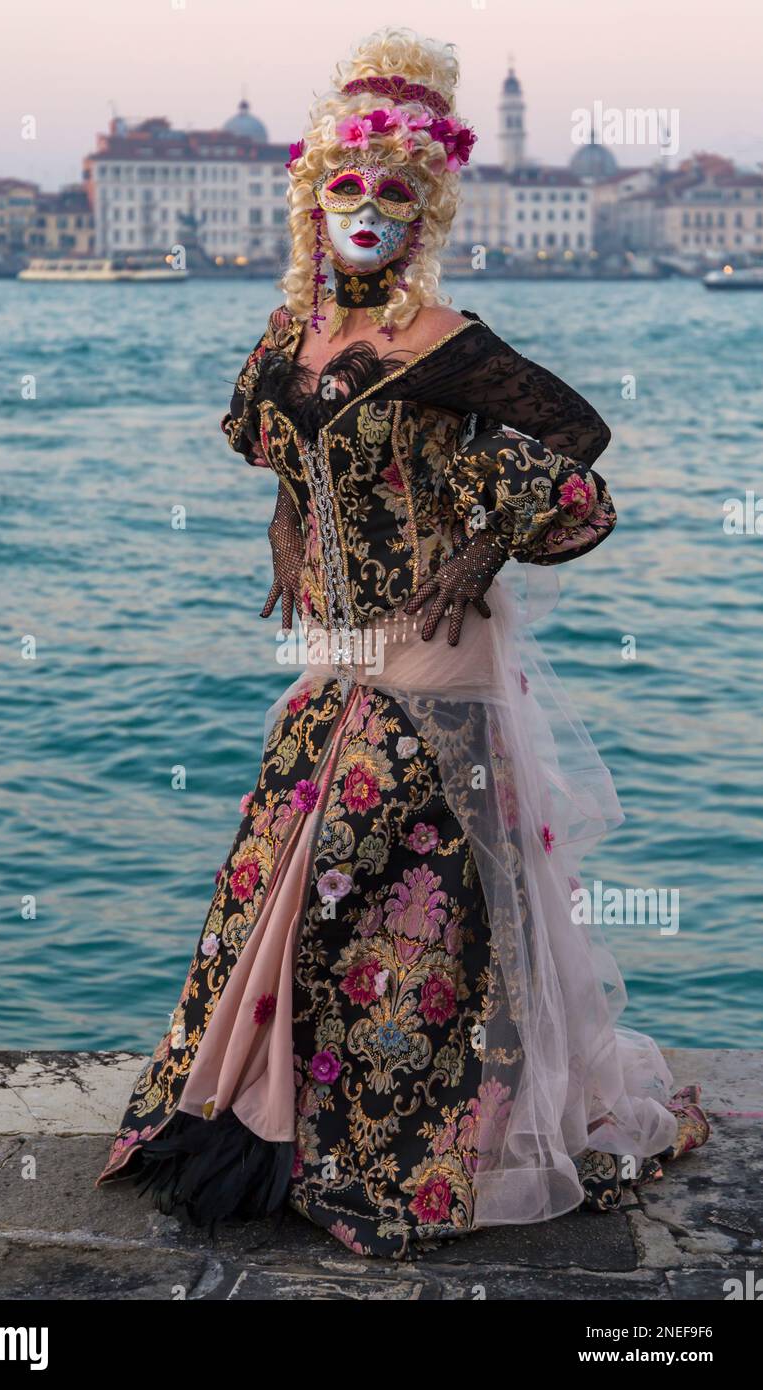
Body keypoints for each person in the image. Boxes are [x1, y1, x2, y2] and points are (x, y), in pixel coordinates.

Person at [95, 26, 709, 1260]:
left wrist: (477, 550)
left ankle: (421, 1135)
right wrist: (285, 526)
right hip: (333, 641)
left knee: (398, 865)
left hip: (439, 648)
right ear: (311, 199)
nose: (364, 208)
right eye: (345, 186)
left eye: (390, 192)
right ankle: (269, 1119)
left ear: (422, 210)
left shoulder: (443, 342)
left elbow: (576, 439)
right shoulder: (286, 342)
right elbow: (283, 446)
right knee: (286, 855)